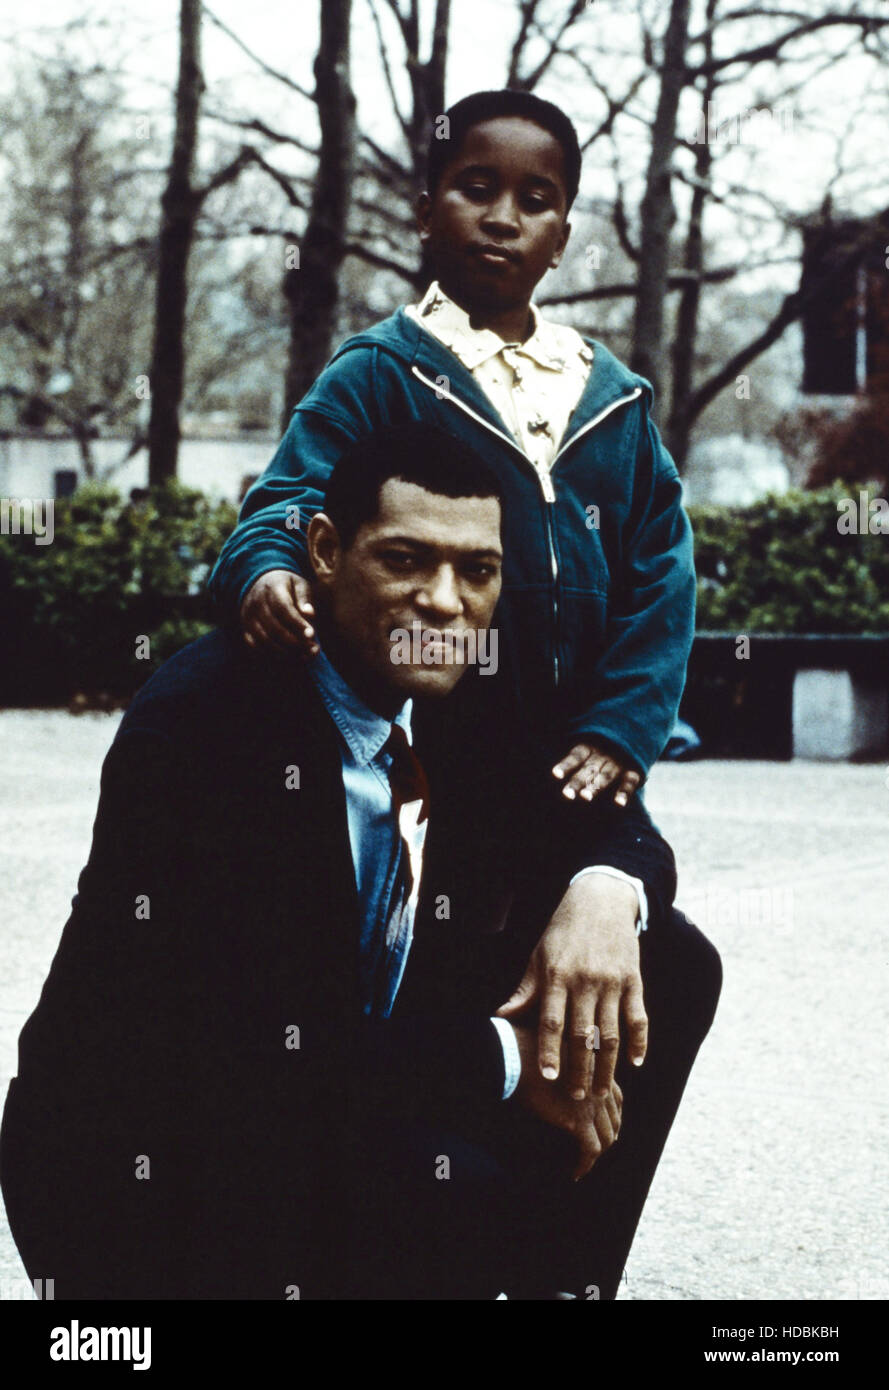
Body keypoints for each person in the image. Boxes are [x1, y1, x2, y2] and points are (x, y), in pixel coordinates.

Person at [206, 89, 722, 1296]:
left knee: (647, 989)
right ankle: (437, 1242)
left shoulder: (612, 401)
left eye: (534, 201)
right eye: (473, 188)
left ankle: (566, 1265)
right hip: (436, 763)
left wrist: (619, 731)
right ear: (425, 206)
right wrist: (267, 568)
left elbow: (662, 583)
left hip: (574, 768)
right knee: (456, 1007)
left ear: (564, 233)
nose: (500, 217)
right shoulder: (384, 372)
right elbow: (288, 498)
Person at [1, 424, 661, 1301]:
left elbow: (610, 812)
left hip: (326, 1096)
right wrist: (515, 1060)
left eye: (477, 571)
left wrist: (603, 892)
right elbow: (273, 1043)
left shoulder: (455, 685)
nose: (443, 602)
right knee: (451, 1180)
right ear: (323, 550)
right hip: (157, 1155)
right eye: (404, 560)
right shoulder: (211, 721)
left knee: (666, 965)